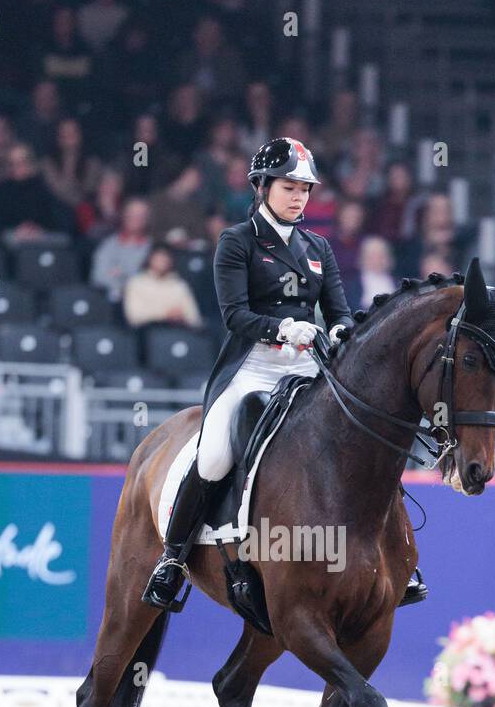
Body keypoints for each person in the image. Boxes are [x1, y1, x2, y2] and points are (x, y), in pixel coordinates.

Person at [142, 136, 428, 611]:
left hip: (307, 366)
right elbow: (234, 315)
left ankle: (398, 558)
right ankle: (173, 560)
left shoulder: (318, 247)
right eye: (289, 187)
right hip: (252, 367)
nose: (299, 197)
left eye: (305, 189)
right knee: (213, 455)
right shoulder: (237, 243)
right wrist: (282, 328)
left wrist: (337, 332)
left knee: (366, 436)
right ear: (262, 186)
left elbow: (338, 310)